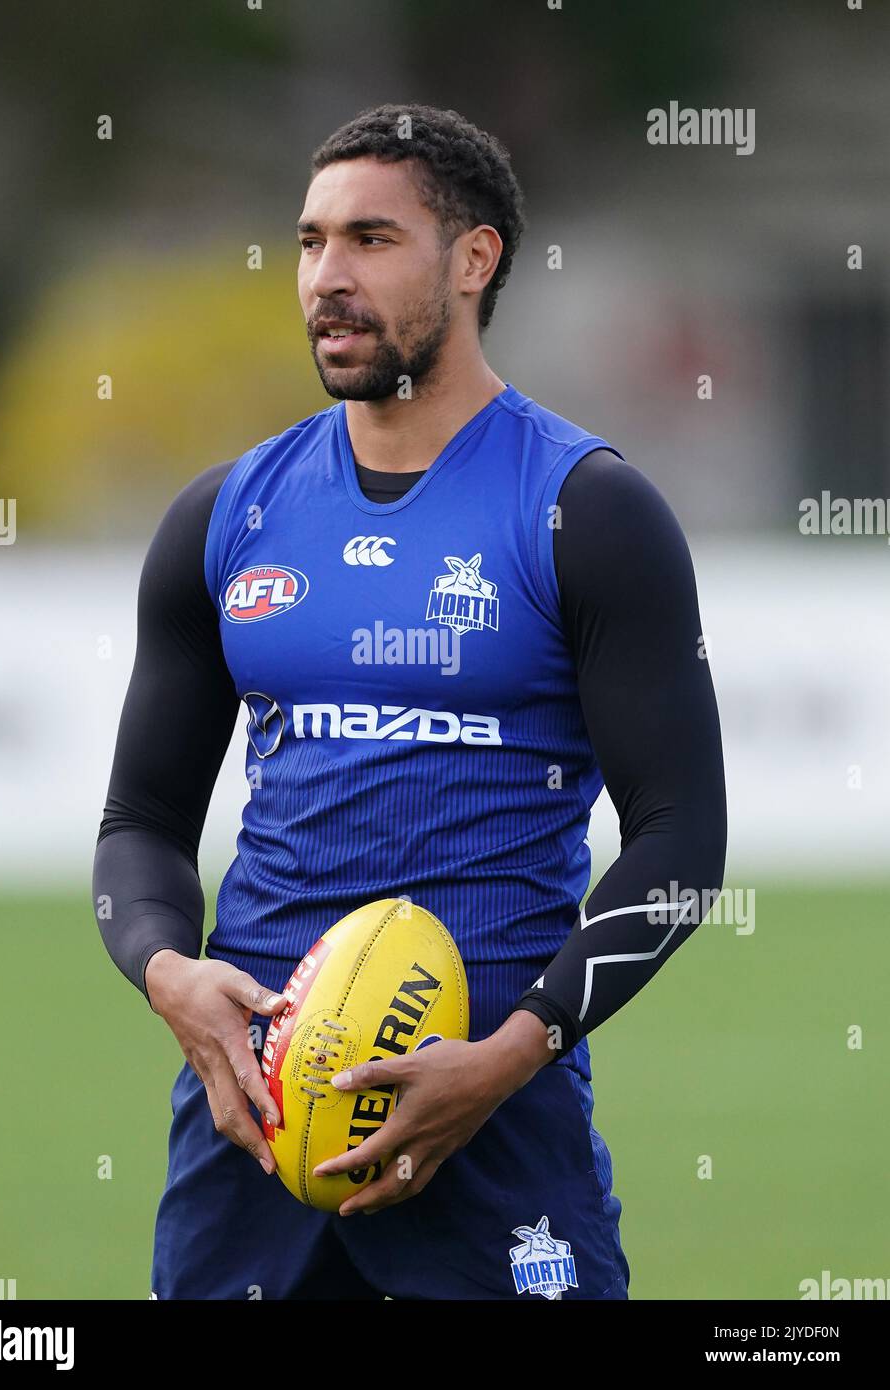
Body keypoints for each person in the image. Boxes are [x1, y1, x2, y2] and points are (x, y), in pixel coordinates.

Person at [92, 103, 726, 1300]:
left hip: (492, 1128)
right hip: (247, 1127)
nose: (326, 278)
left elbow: (683, 843)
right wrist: (168, 973)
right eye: (309, 241)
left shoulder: (585, 511)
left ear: (473, 259)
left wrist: (507, 1055)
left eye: (370, 240)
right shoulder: (225, 517)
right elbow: (138, 823)